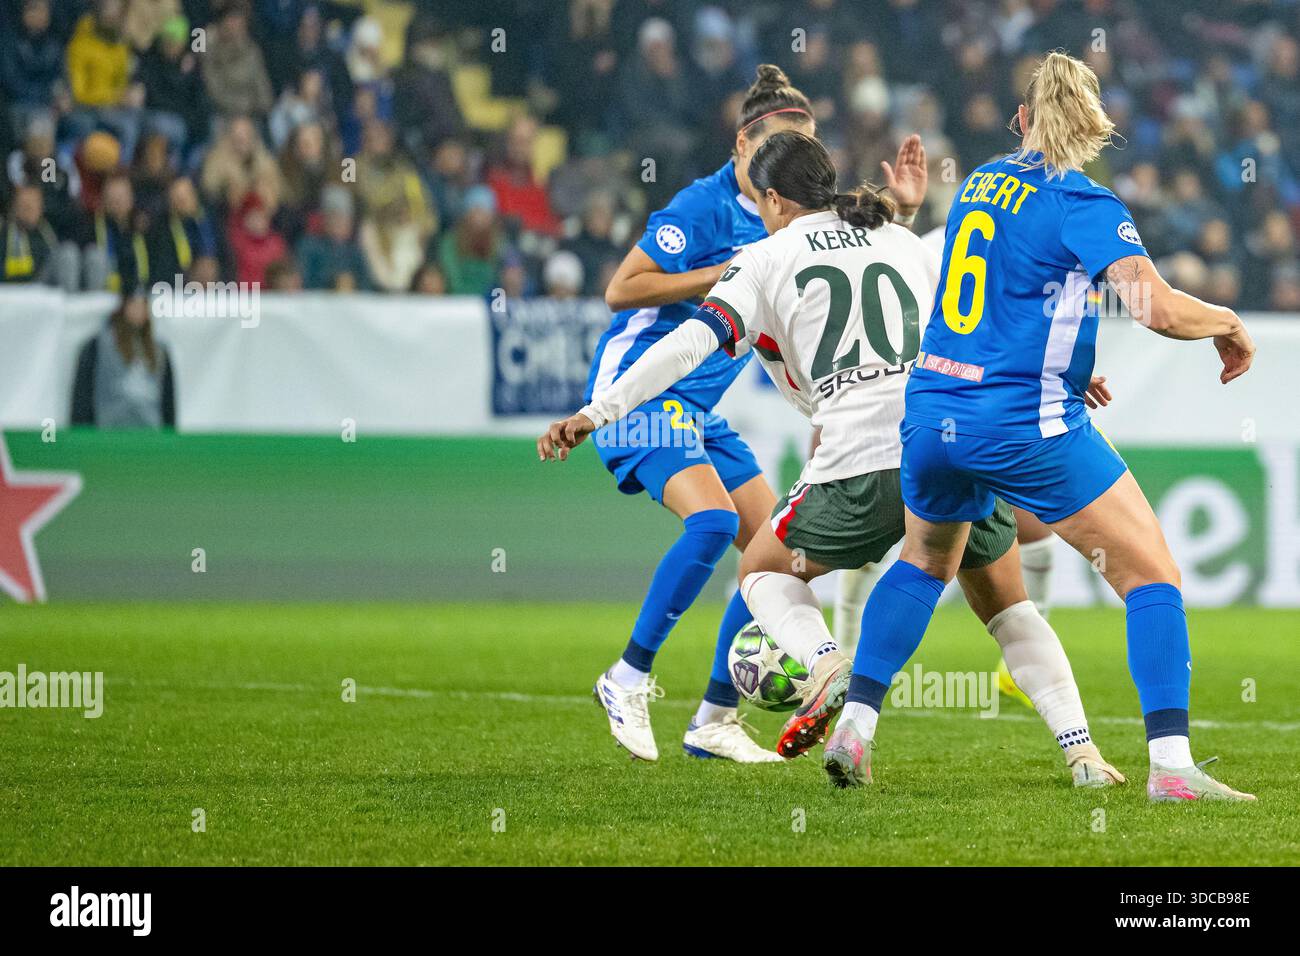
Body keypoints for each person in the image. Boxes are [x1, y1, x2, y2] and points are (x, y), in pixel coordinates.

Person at [540, 130, 1123, 788]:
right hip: (949, 445)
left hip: (860, 457)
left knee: (761, 568)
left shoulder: (764, 257)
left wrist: (599, 410)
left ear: (771, 198)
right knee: (1011, 610)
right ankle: (1083, 754)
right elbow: (983, 310)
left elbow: (686, 347)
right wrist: (1064, 377)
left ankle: (824, 663)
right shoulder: (901, 241)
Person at [823, 52, 1256, 800]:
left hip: (934, 409)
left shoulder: (981, 183)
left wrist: (1065, 362)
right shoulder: (1084, 203)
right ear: (1093, 129)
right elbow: (1151, 306)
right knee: (1151, 573)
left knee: (925, 563)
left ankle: (856, 726)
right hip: (1020, 420)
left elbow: (1001, 297)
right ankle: (1173, 769)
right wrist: (1226, 320)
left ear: (1022, 121)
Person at [552, 66, 922, 765]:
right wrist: (730, 274)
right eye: (784, 144)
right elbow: (621, 289)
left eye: (807, 145)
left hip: (696, 408)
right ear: (746, 147)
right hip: (642, 389)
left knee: (768, 553)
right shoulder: (705, 205)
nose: (795, 160)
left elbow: (869, 258)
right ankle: (627, 677)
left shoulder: (796, 217)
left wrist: (899, 209)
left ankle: (714, 718)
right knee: (715, 521)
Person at [71, 289, 176, 428]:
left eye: (143, 305)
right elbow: (83, 393)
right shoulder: (99, 346)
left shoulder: (159, 350)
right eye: (134, 304)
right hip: (109, 428)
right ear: (123, 306)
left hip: (149, 430)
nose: (138, 310)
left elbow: (167, 397)